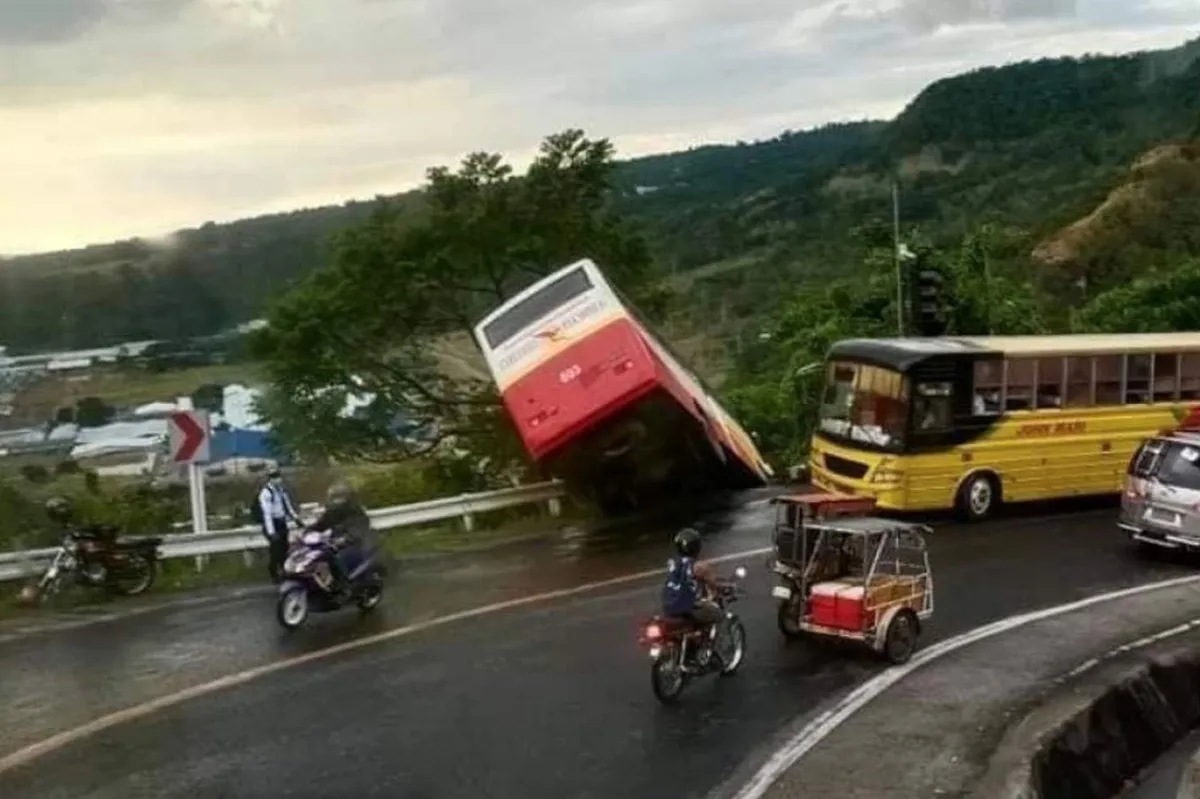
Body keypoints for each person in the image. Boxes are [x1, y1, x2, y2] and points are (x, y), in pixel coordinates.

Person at [661, 527, 725, 658]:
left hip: (669, 606)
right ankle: (705, 647)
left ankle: (691, 641)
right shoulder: (699, 567)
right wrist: (722, 589)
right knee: (717, 614)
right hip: (687, 606)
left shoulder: (673, 564)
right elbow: (714, 585)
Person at [307, 481, 376, 594]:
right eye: (333, 498)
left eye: (337, 498)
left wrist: (347, 538)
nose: (335, 501)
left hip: (355, 543)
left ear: (346, 498)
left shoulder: (355, 512)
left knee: (340, 558)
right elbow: (321, 524)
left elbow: (358, 529)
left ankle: (344, 585)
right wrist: (306, 531)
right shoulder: (332, 512)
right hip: (336, 541)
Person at [259, 468, 300, 583]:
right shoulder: (266, 493)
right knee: (275, 551)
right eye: (274, 477)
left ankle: (285, 572)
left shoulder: (281, 491)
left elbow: (287, 506)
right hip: (272, 524)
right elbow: (267, 514)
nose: (278, 479)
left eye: (278, 476)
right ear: (270, 479)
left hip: (282, 522)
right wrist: (272, 532)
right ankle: (274, 574)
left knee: (285, 548)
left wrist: (296, 519)